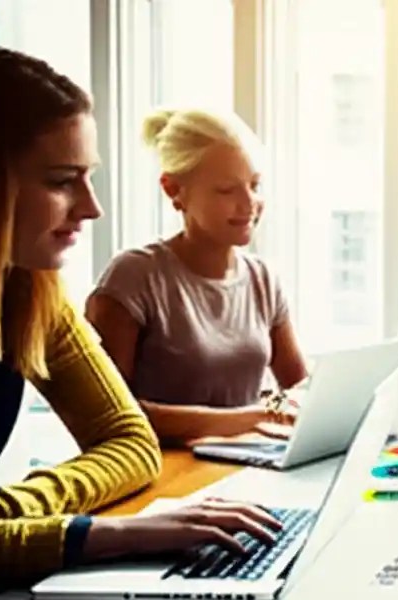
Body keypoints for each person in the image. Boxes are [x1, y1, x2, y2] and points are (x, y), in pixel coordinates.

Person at [0, 47, 280, 583]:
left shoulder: (30, 292)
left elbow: (130, 441)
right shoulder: (133, 275)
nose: (92, 207)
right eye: (61, 179)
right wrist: (101, 534)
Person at [86, 108, 309, 443]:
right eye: (226, 190)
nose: (249, 203)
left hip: (245, 464)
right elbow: (110, 414)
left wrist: (276, 410)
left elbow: (292, 389)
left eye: (254, 185)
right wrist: (253, 418)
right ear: (174, 190)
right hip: (163, 474)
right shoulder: (133, 277)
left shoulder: (263, 280)